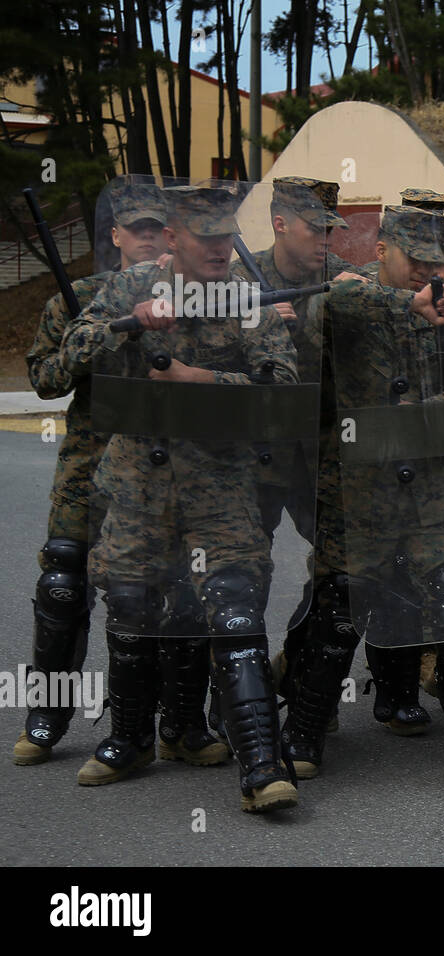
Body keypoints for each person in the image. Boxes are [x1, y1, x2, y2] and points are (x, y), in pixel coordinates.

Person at [62, 183, 303, 811]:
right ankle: (131, 739)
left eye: (228, 237)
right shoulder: (126, 288)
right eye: (207, 239)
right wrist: (131, 325)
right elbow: (70, 354)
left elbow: (280, 390)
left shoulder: (246, 301)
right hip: (140, 484)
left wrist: (203, 379)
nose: (222, 250)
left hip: (220, 487)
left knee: (234, 612)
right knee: (133, 612)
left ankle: (261, 763)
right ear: (173, 238)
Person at [325, 203, 444, 788]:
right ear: (381, 249)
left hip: (439, 487)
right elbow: (328, 304)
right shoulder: (352, 298)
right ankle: (302, 738)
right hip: (364, 491)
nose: (429, 273)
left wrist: (429, 412)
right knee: (339, 608)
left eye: (440, 262)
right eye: (418, 259)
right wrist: (400, 303)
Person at [14, 182, 201, 767]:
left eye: (156, 229)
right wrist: (114, 327)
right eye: (136, 229)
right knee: (64, 585)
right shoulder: (80, 300)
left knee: (169, 590)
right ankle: (47, 717)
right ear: (116, 236)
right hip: (90, 465)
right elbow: (47, 378)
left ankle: (178, 722)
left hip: (167, 471)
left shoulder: (197, 297)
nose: (147, 239)